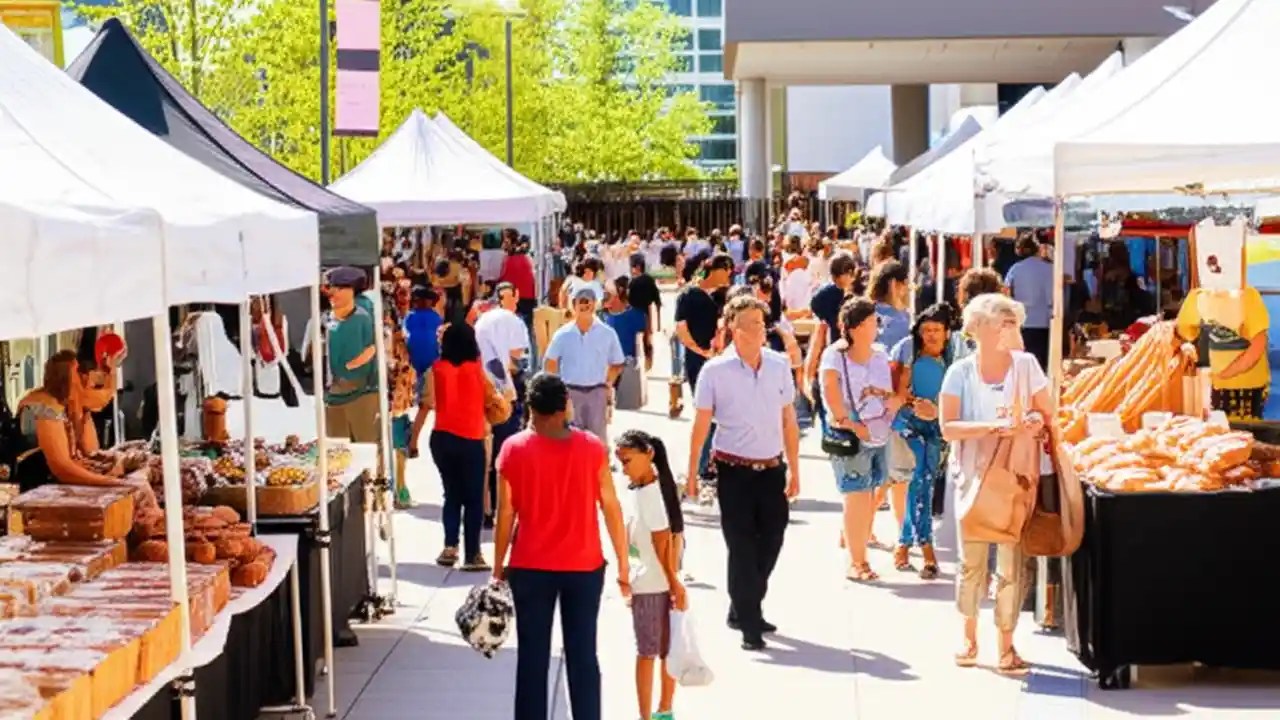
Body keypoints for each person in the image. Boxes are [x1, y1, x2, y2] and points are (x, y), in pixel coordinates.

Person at [492, 373, 629, 720]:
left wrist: (497, 567)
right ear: (564, 405)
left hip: (530, 564)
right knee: (583, 656)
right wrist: (624, 563)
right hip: (583, 565)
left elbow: (505, 513)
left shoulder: (512, 449)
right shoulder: (592, 448)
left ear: (531, 407)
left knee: (532, 659)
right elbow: (610, 505)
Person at [939, 293, 1050, 676]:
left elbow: (1047, 413)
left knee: (1010, 564)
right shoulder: (960, 372)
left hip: (1014, 475)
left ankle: (1006, 643)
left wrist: (1033, 422)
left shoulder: (1027, 365)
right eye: (1004, 322)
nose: (1012, 329)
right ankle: (969, 637)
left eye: (1014, 322)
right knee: (971, 562)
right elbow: (947, 426)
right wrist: (993, 428)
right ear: (981, 329)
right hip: (971, 475)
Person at [687, 294, 801, 651]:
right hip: (732, 470)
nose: (760, 328)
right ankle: (750, 623)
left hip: (771, 469)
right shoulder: (715, 371)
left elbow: (788, 419)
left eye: (761, 321)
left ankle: (742, 606)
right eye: (751, 322)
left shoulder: (779, 364)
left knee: (771, 541)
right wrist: (691, 472)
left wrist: (795, 469)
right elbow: (701, 424)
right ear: (733, 329)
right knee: (741, 547)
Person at [821, 297, 901, 582]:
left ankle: (854, 538)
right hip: (851, 434)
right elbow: (830, 391)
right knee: (857, 493)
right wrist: (851, 424)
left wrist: (892, 405)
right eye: (868, 322)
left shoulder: (880, 354)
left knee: (872, 493)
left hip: (879, 432)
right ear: (853, 328)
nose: (874, 326)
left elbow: (888, 389)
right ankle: (857, 562)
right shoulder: (835, 355)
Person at [417, 323, 504, 571]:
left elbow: (427, 404)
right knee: (474, 498)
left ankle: (449, 547)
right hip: (471, 438)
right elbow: (493, 400)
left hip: (442, 438)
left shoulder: (436, 369)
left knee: (452, 495)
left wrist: (413, 441)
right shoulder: (477, 371)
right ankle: (473, 554)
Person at [14, 351, 154, 503]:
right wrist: (112, 483)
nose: (100, 393)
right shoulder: (44, 408)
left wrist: (84, 411)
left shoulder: (71, 405)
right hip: (36, 491)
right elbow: (63, 469)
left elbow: (90, 449)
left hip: (57, 487)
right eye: (92, 384)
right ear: (73, 379)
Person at [616, 429, 686, 720]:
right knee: (666, 650)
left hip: (652, 584)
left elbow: (662, 541)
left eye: (628, 460)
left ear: (649, 455)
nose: (624, 468)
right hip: (650, 580)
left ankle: (649, 715)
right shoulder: (649, 490)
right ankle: (664, 710)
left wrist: (673, 583)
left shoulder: (649, 494)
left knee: (648, 652)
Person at [888, 303, 954, 578]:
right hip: (909, 425)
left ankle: (904, 542)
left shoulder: (955, 355)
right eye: (926, 330)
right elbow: (897, 392)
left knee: (922, 484)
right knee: (920, 482)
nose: (931, 335)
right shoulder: (907, 349)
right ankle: (926, 547)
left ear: (947, 333)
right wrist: (917, 405)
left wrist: (937, 410)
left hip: (940, 427)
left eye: (937, 330)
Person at [543, 287, 625, 443]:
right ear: (573, 306)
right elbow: (550, 362)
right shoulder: (562, 334)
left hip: (597, 392)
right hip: (570, 393)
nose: (585, 306)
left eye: (589, 302)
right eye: (581, 302)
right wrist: (557, 390)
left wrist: (608, 385)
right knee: (569, 439)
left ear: (595, 305)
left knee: (597, 440)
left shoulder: (608, 333)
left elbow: (617, 363)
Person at [323, 267, 379, 444]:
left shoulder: (354, 315)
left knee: (343, 452)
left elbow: (350, 356)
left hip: (349, 390)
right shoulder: (370, 304)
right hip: (367, 388)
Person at [1004, 234, 1055, 370]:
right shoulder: (1050, 269)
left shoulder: (1015, 269)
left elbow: (1006, 294)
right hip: (1047, 323)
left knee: (1022, 366)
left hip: (1022, 323)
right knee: (1042, 366)